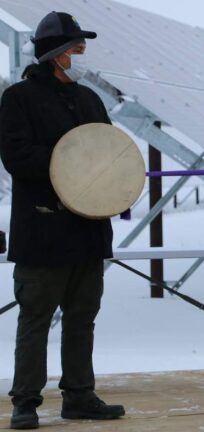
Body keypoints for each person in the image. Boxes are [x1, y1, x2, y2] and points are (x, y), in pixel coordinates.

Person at [0, 11, 126, 429]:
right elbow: (17, 157)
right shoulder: (18, 98)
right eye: (75, 48)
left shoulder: (89, 99)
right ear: (54, 55)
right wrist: (70, 163)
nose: (81, 54)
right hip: (43, 230)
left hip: (88, 230)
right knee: (35, 317)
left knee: (82, 317)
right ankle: (26, 401)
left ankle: (79, 395)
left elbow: (110, 156)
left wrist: (114, 186)